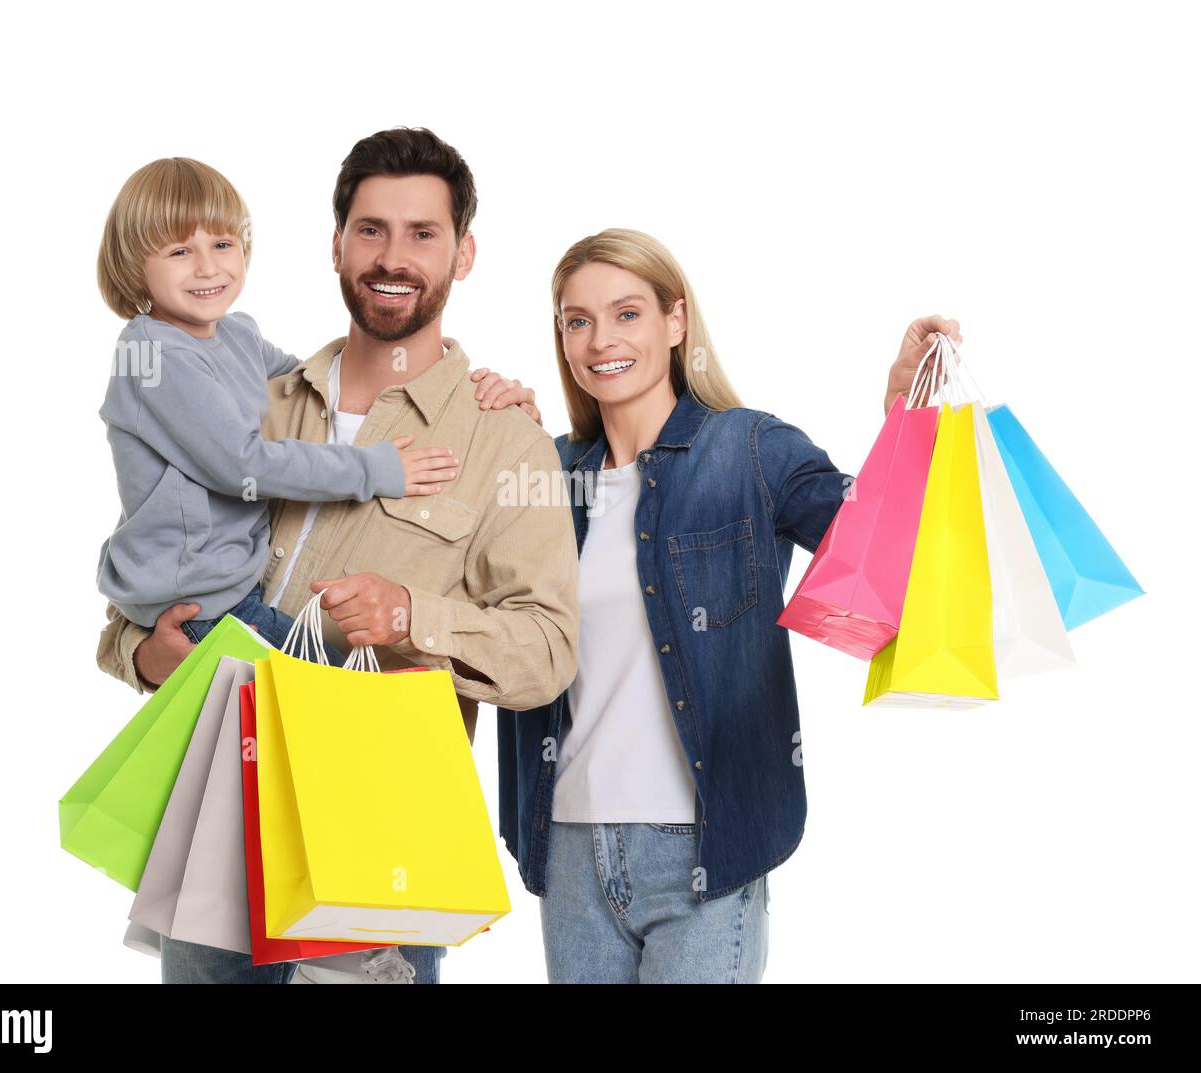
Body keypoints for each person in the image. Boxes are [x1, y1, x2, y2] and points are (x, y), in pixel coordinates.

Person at [98, 128, 579, 985]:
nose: (393, 256)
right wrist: (141, 651)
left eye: (423, 233)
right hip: (218, 836)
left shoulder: (502, 437)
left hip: (377, 845)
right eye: (371, 229)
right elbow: (158, 560)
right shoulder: (252, 398)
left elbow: (548, 650)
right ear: (335, 245)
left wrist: (409, 615)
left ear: (463, 253)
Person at [494, 227, 961, 982]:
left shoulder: (749, 450)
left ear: (676, 322)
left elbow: (872, 556)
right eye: (577, 320)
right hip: (572, 846)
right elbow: (482, 610)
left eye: (627, 314)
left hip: (704, 850)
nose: (600, 340)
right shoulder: (547, 473)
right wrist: (486, 435)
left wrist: (900, 418)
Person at [95, 157, 460, 656]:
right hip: (201, 601)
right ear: (135, 263)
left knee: (321, 693)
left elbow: (308, 378)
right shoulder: (154, 355)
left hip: (233, 587)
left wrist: (454, 381)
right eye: (180, 250)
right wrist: (376, 469)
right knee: (330, 687)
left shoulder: (236, 333)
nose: (207, 267)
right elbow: (242, 463)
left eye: (222, 244)